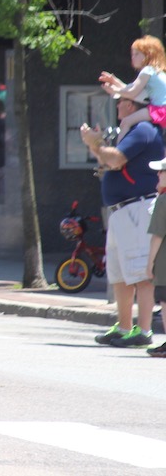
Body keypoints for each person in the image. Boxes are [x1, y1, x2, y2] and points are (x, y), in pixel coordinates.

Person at [80, 91, 164, 348]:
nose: (117, 106)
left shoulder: (143, 130)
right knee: (119, 273)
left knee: (141, 272)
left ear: (131, 104)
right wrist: (96, 145)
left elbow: (115, 160)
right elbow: (109, 161)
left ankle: (144, 330)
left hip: (137, 209)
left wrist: (96, 144)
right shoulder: (131, 131)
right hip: (122, 211)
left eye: (121, 101)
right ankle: (124, 327)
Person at [99, 35, 166, 138]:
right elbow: (134, 90)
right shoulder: (156, 71)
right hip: (161, 110)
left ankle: (120, 148)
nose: (133, 57)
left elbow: (132, 93)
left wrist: (115, 90)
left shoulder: (147, 70)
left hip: (160, 110)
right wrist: (115, 81)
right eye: (132, 54)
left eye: (136, 54)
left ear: (148, 54)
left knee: (126, 122)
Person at [145, 155, 166, 357]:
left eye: (162, 171)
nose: (158, 174)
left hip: (164, 263)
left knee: (165, 301)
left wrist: (150, 262)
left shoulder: (163, 201)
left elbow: (157, 235)